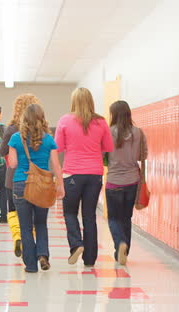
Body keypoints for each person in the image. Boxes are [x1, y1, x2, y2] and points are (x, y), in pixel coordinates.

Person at [56, 87, 114, 267]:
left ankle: (76, 244)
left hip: (72, 173)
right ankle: (90, 259)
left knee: (70, 212)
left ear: (74, 101)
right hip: (95, 174)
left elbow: (58, 147)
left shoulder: (65, 120)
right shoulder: (101, 122)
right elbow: (108, 147)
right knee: (89, 216)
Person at [7, 104, 65, 273]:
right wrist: (60, 185)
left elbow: (13, 164)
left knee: (25, 226)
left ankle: (31, 265)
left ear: (24, 119)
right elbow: (56, 165)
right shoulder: (48, 139)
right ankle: (43, 254)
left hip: (21, 184)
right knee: (40, 223)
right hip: (43, 185)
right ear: (42, 119)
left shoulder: (15, 138)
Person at [0, 94, 41, 257]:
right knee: (34, 213)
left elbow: (2, 151)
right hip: (36, 177)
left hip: (14, 177)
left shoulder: (11, 129)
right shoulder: (40, 129)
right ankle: (29, 243)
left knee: (13, 211)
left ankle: (18, 237)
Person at [107, 101, 148, 265]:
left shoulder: (108, 132)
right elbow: (143, 156)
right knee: (126, 218)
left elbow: (102, 154)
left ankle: (120, 243)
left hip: (113, 181)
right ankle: (124, 251)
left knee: (113, 218)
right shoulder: (138, 133)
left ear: (114, 114)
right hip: (132, 181)